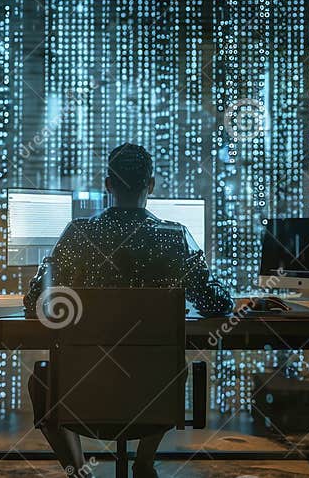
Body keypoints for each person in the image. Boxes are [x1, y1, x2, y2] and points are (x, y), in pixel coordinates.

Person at [24, 143, 233, 478]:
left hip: (83, 397)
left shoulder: (78, 235)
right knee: (165, 364)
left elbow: (37, 301)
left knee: (43, 376)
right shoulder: (175, 238)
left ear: (108, 184)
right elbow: (216, 303)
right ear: (151, 185)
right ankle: (144, 463)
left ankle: (78, 470)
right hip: (153, 400)